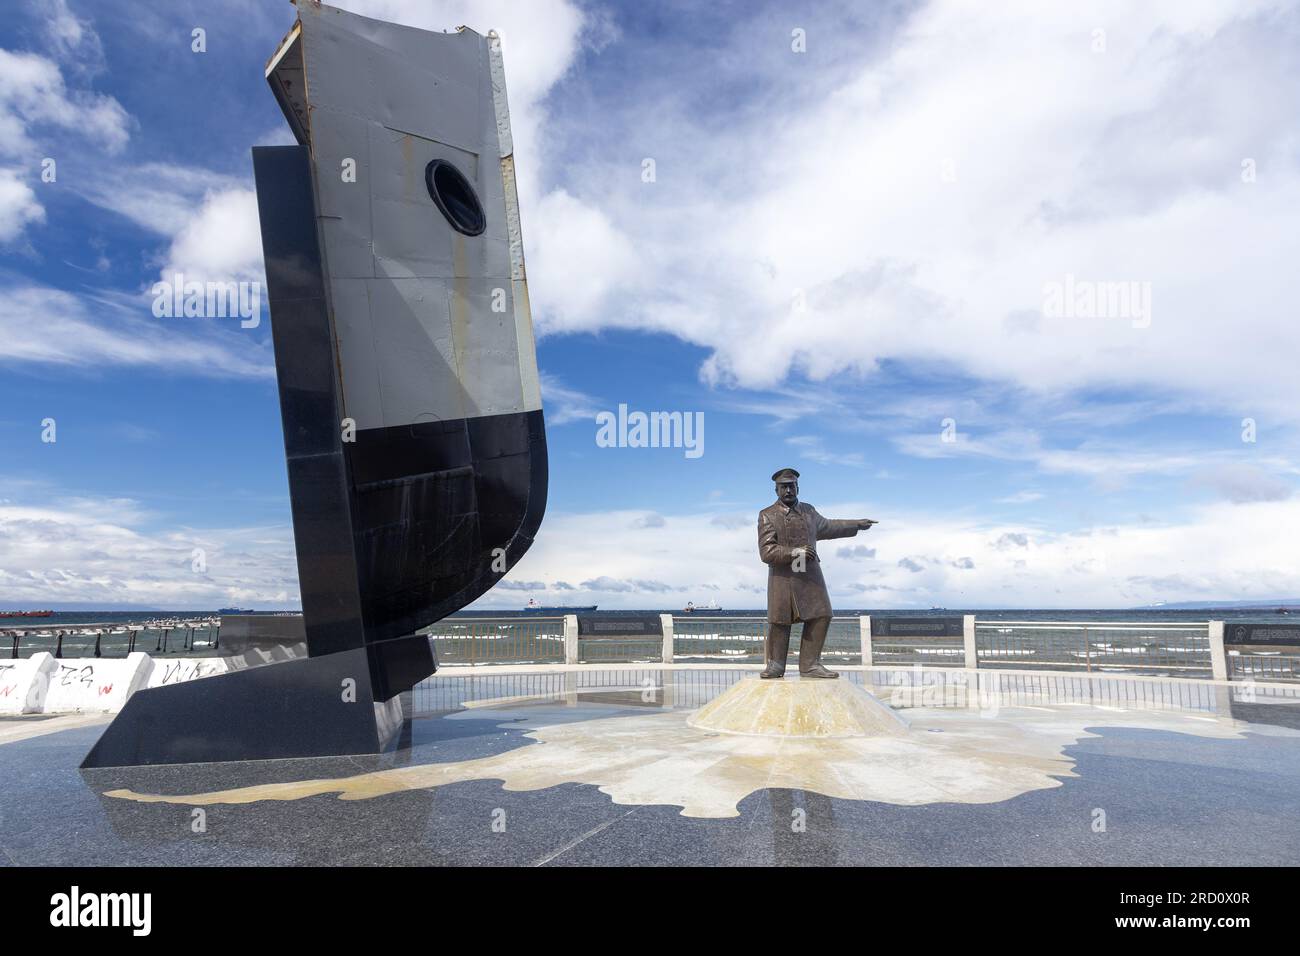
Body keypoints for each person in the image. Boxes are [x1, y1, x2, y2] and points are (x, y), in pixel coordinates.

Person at [757, 468, 876, 679]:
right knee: (779, 620)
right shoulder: (767, 515)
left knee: (822, 614)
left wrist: (855, 524)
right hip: (783, 577)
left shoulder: (809, 511)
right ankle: (776, 665)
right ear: (776, 490)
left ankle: (810, 665)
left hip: (809, 574)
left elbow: (829, 526)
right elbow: (767, 551)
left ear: (797, 487)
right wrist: (796, 552)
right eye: (783, 487)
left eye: (791, 486)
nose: (787, 490)